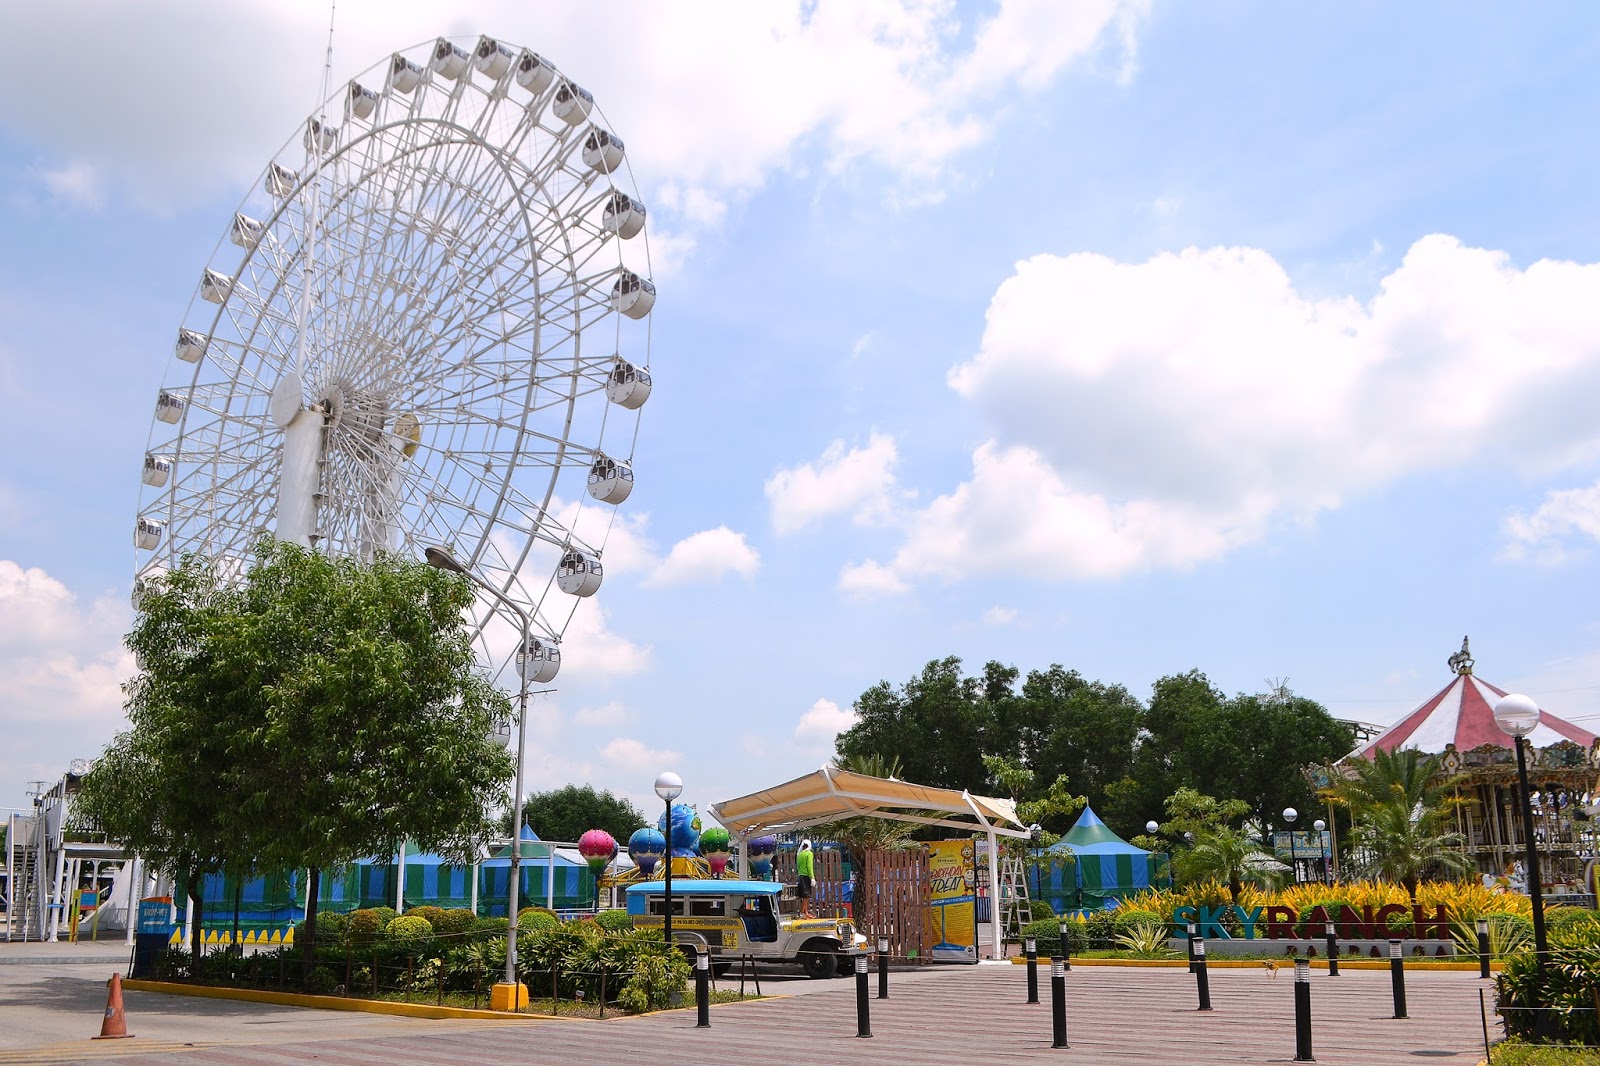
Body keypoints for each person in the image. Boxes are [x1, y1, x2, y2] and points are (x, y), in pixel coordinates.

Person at [796, 839, 815, 918]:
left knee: (804, 896)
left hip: (800, 876)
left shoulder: (799, 854)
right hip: (806, 876)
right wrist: (812, 877)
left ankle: (806, 912)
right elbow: (809, 866)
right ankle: (801, 913)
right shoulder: (809, 854)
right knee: (807, 896)